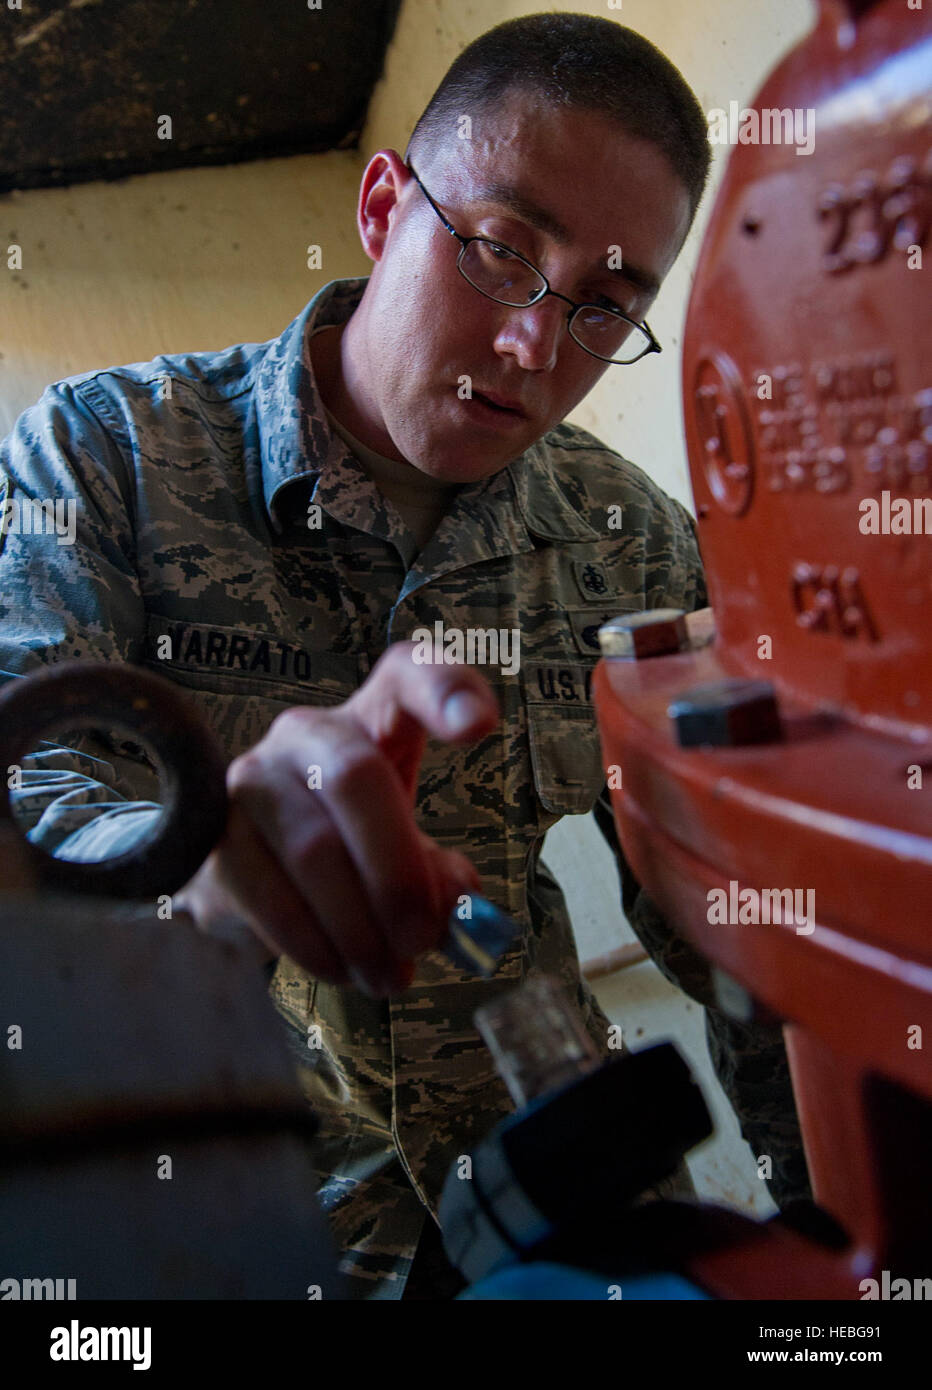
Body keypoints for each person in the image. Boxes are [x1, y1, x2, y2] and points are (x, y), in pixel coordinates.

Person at [0, 13, 810, 1299]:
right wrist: (198, 846)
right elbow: (24, 811)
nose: (534, 348)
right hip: (236, 1227)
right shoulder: (105, 453)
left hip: (569, 1215)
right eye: (498, 251)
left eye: (606, 306)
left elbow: (731, 936)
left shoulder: (633, 542)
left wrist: (838, 1227)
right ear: (383, 206)